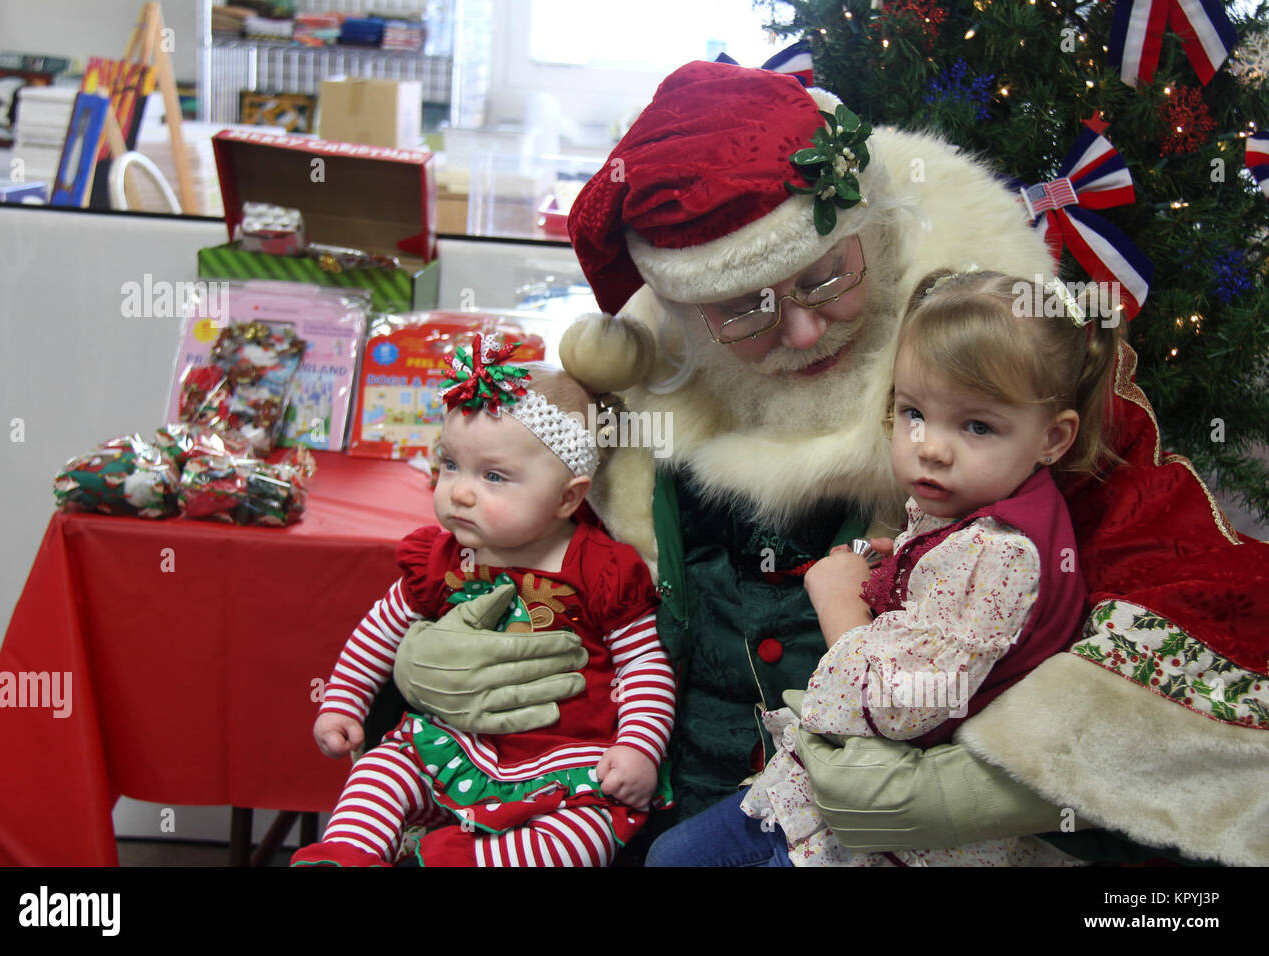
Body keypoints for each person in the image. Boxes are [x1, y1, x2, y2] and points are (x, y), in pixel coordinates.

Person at [389, 60, 1269, 866]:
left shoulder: (998, 365)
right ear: (686, 306)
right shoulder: (640, 387)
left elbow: (1191, 587)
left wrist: (975, 793)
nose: (803, 332)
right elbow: (520, 522)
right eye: (746, 310)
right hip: (648, 799)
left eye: (826, 278)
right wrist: (428, 653)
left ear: (872, 231)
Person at [647, 268, 1123, 866]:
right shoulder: (972, 510)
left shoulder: (1002, 552)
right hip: (833, 779)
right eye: (913, 412)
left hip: (889, 821)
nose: (931, 446)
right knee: (673, 854)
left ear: (1052, 438)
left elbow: (905, 703)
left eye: (977, 425)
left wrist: (839, 603)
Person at [291, 337, 675, 867]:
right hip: (455, 747)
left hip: (567, 763)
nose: (460, 492)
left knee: (585, 836)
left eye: (493, 476)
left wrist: (638, 747)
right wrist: (342, 702)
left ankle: (464, 859)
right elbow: (378, 630)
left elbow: (644, 665)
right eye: (450, 465)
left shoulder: (601, 568)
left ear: (568, 496)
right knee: (381, 767)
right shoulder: (445, 557)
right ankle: (348, 854)